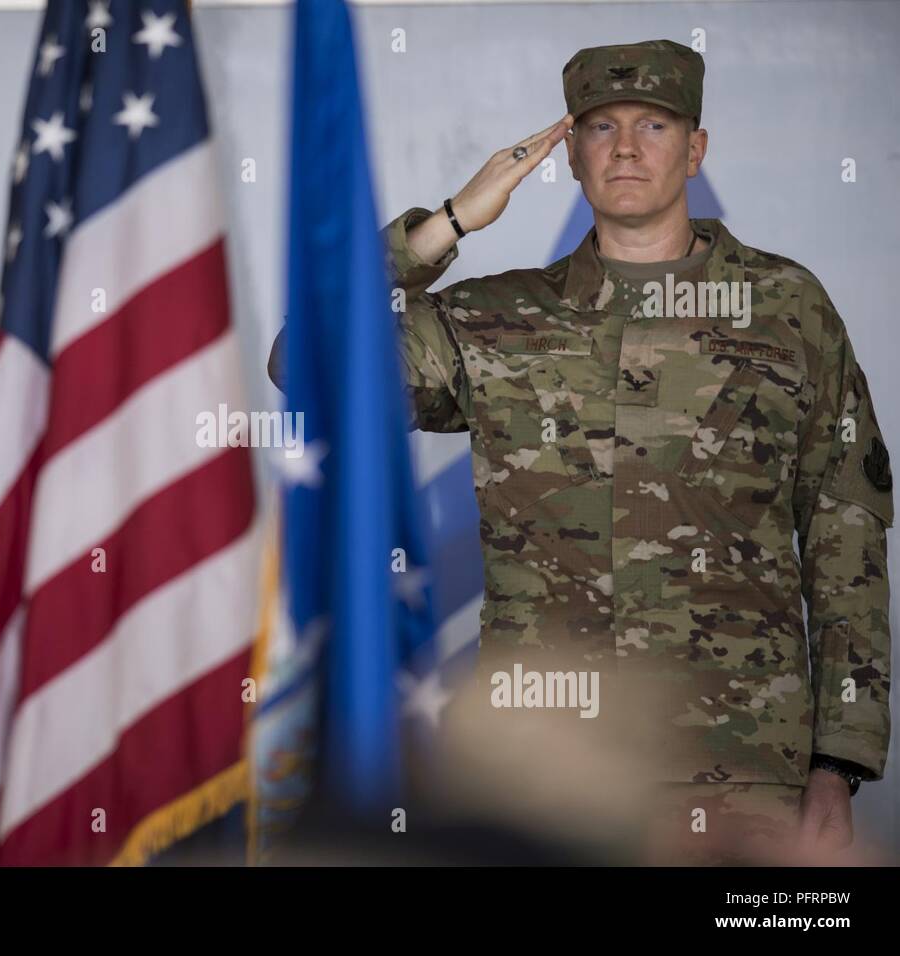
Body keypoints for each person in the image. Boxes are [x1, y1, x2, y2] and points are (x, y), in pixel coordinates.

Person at [269, 40, 891, 863]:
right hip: (544, 778)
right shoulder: (497, 318)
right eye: (599, 127)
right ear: (569, 154)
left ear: (695, 148)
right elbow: (308, 363)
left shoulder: (787, 307)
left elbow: (847, 528)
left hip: (741, 770)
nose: (626, 147)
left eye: (654, 125)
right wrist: (446, 223)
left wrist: (838, 763)